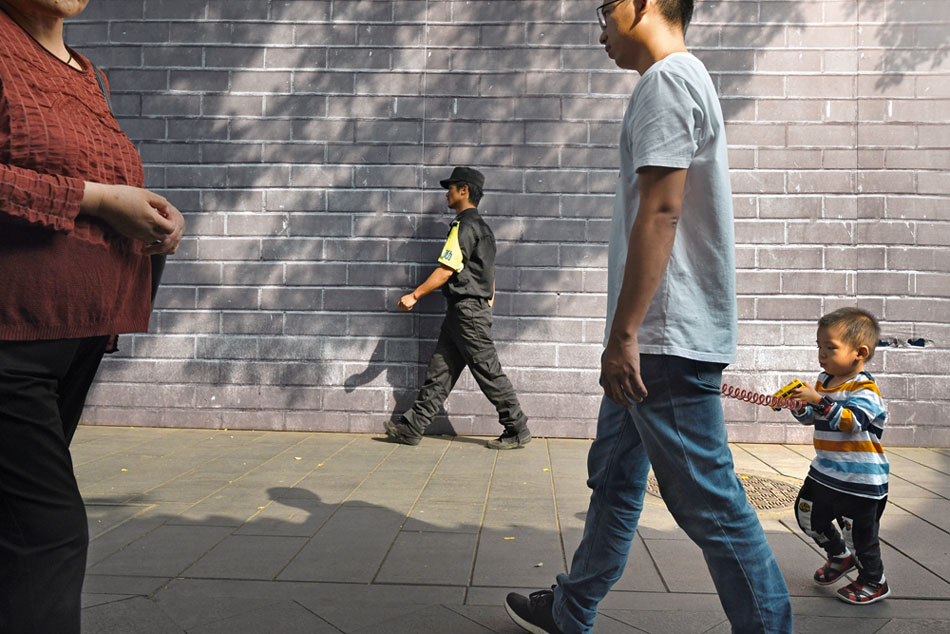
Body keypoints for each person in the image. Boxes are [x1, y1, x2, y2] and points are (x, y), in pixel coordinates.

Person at [504, 1, 792, 633]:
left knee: (711, 508)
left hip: (659, 342)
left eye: (605, 10)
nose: (599, 28)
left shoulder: (666, 81)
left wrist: (625, 334)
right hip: (653, 341)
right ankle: (571, 606)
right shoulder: (683, 78)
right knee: (613, 477)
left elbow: (661, 212)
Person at [0, 1, 185, 632]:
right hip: (10, 334)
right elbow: (83, 193)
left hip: (76, 331)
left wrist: (151, 215)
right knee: (47, 531)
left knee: (14, 526)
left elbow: (90, 180)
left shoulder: (84, 71)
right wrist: (99, 200)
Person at [385, 166, 531, 450]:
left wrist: (414, 296)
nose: (447, 194)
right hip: (463, 312)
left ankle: (517, 428)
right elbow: (488, 272)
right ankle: (413, 427)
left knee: (488, 371)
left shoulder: (464, 226)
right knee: (440, 371)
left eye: (450, 188)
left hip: (467, 313)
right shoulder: (484, 229)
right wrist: (486, 301)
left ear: (464, 190)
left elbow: (446, 269)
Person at [789, 307, 890, 605]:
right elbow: (813, 418)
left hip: (861, 482)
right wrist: (799, 406)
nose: (822, 354)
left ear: (860, 352)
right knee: (807, 515)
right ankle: (838, 556)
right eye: (819, 346)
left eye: (830, 348)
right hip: (825, 472)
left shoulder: (866, 389)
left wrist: (819, 401)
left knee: (860, 538)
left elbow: (851, 421)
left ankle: (874, 581)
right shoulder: (824, 379)